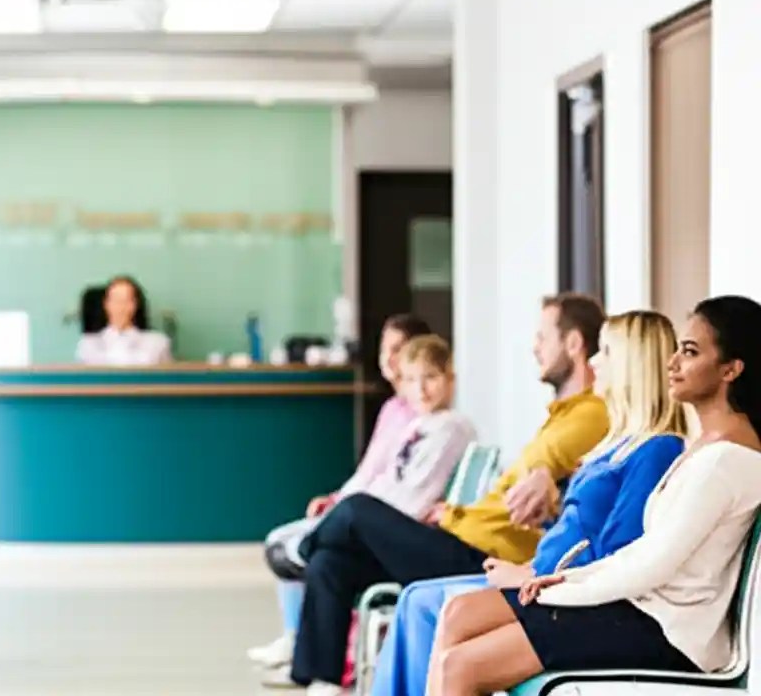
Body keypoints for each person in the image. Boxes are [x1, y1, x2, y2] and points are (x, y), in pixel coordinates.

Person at [427, 296, 761, 696]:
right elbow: (640, 554)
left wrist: (561, 589)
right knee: (460, 627)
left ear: (731, 368)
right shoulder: (702, 447)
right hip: (640, 613)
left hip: (666, 633)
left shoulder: (726, 459)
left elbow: (650, 567)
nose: (672, 363)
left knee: (462, 666)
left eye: (689, 352)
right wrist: (562, 578)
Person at [288, 293, 610, 695]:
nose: (534, 347)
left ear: (574, 344)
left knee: (354, 513)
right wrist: (455, 513)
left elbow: (570, 502)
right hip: (460, 534)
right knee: (332, 561)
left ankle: (300, 548)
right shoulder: (560, 418)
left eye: (542, 336)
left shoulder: (592, 417)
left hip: (483, 554)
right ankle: (323, 682)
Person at [372, 310, 687, 696]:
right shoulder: (617, 446)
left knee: (453, 646)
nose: (593, 362)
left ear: (630, 367)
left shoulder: (657, 449)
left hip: (579, 597)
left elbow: (617, 551)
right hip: (547, 576)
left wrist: (531, 575)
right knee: (453, 611)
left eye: (604, 351)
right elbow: (583, 528)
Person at [249, 314, 434, 670]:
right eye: (385, 349)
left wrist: (343, 507)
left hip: (385, 521)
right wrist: (336, 498)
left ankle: (304, 641)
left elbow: (396, 489)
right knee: (286, 544)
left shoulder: (423, 419)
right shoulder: (392, 409)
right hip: (363, 508)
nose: (390, 359)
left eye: (399, 350)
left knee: (300, 550)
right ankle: (297, 638)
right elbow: (368, 472)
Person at [75, 275, 172, 366]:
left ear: (135, 305)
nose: (121, 307)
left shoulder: (158, 343)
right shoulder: (87, 344)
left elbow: (170, 380)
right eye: (116, 300)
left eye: (126, 300)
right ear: (106, 304)